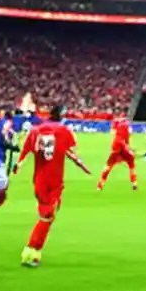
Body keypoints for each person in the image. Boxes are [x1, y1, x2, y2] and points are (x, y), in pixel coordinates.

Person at [14, 105, 91, 268]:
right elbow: (71, 151)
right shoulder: (64, 130)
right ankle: (30, 251)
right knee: (47, 217)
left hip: (39, 180)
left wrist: (19, 165)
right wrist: (81, 164)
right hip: (54, 182)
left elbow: (25, 152)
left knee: (47, 215)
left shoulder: (35, 130)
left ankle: (35, 252)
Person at [97, 115, 138, 191]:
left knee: (108, 166)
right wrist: (130, 148)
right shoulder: (127, 124)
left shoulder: (116, 122)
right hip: (125, 147)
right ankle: (134, 184)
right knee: (131, 166)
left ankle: (100, 185)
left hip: (117, 146)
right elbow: (130, 134)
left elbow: (112, 133)